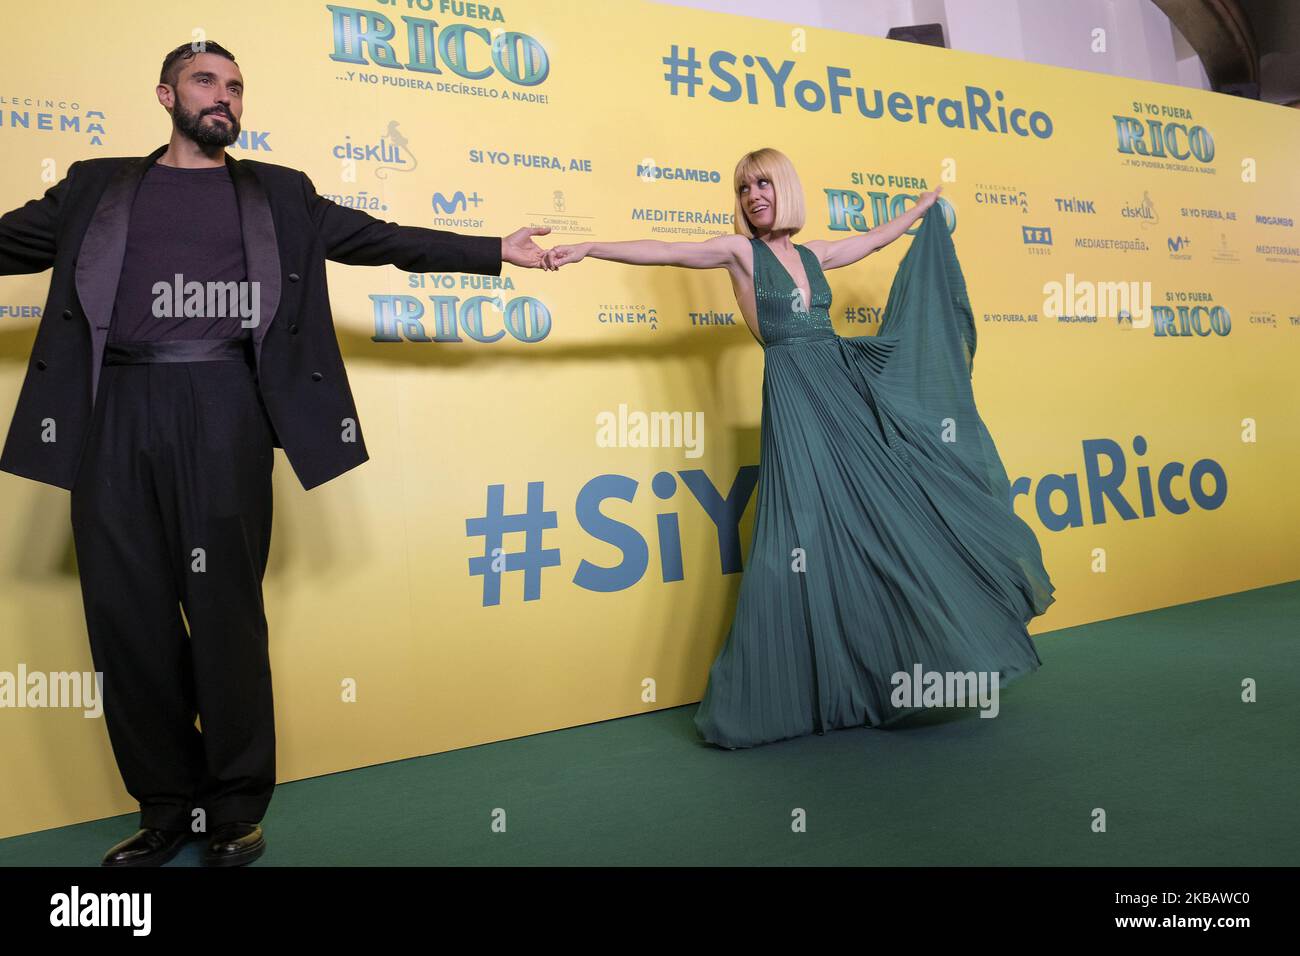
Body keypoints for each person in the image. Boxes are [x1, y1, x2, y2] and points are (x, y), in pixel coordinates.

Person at [0, 41, 552, 865]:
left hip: (227, 412)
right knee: (127, 622)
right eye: (204, 82)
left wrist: (490, 250)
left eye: (234, 86)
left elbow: (381, 238)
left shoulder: (280, 195)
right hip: (111, 410)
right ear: (165, 95)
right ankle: (164, 809)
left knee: (224, 616)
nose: (222, 97)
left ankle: (232, 810)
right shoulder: (95, 186)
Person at [545, 147, 1056, 748]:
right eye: (742, 189)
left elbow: (872, 239)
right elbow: (665, 250)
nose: (753, 196)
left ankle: (904, 662)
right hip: (793, 395)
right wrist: (589, 247)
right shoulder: (740, 253)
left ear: (784, 188)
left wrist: (920, 211)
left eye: (762, 184)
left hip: (844, 387)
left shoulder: (815, 255)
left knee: (887, 515)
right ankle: (793, 692)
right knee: (801, 533)